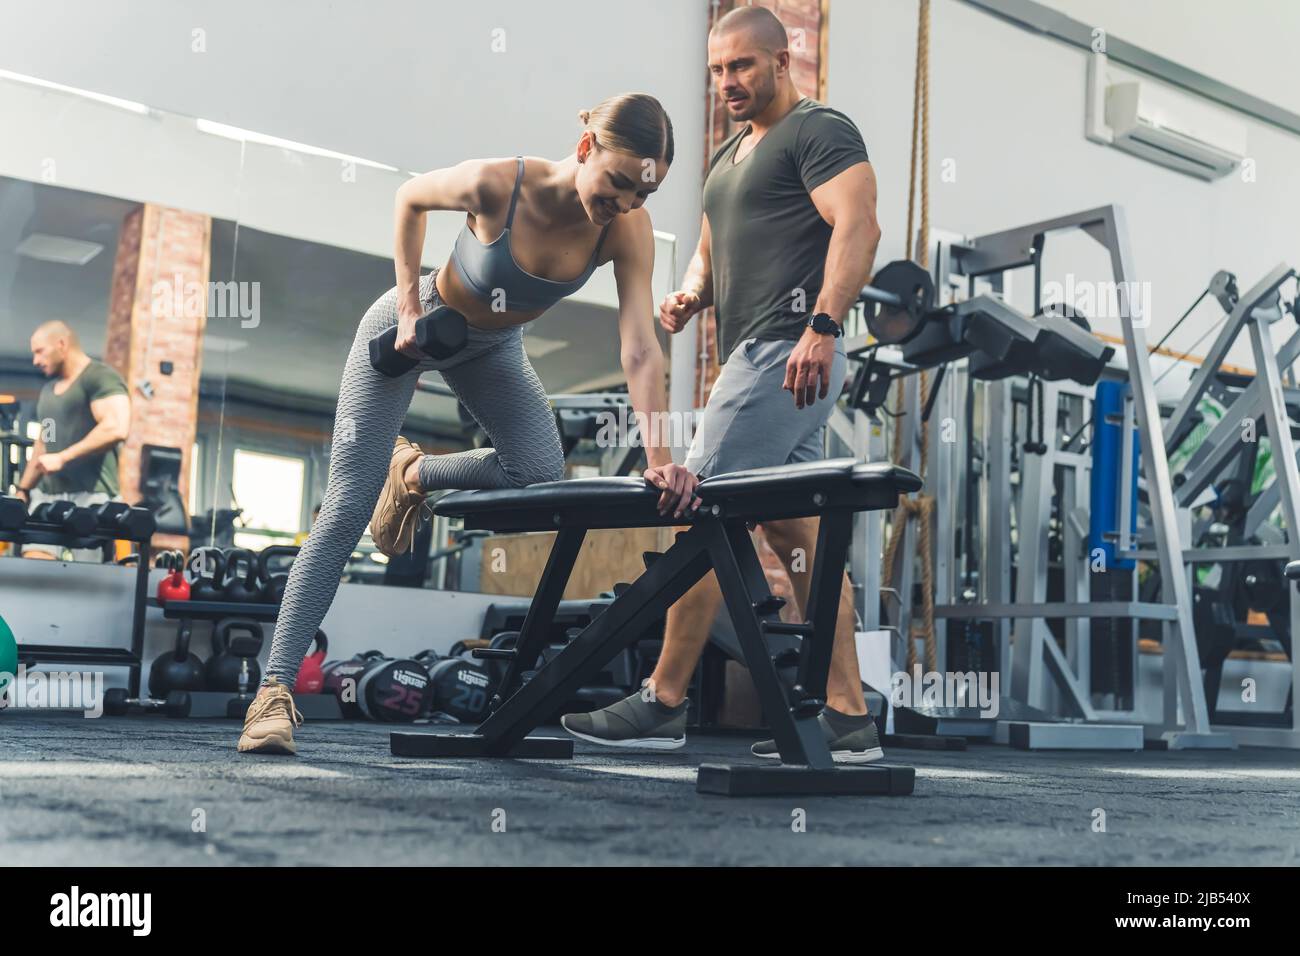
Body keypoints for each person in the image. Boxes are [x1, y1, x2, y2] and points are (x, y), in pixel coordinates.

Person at [239, 93, 697, 755]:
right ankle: (273, 693)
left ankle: (415, 473)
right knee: (346, 507)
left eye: (641, 194)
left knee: (538, 469)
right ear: (586, 149)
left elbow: (639, 346)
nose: (625, 203)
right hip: (421, 329)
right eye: (618, 184)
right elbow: (409, 198)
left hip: (494, 349)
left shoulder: (624, 228)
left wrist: (660, 457)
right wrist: (404, 310)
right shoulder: (500, 185)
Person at [561, 7, 885, 762]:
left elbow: (859, 227)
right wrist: (689, 294)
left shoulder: (819, 131)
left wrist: (825, 327)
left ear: (783, 59)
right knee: (797, 534)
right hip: (761, 350)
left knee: (696, 502)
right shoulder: (727, 159)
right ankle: (849, 715)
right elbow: (710, 255)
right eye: (717, 69)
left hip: (785, 349)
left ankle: (664, 699)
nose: (727, 82)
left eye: (741, 66)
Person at [16, 321, 131, 561]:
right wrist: (23, 490)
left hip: (91, 498)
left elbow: (117, 427)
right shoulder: (48, 392)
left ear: (62, 344)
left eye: (39, 351)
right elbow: (45, 442)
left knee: (85, 583)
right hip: (48, 497)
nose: (35, 361)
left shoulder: (100, 377)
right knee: (35, 568)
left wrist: (63, 457)